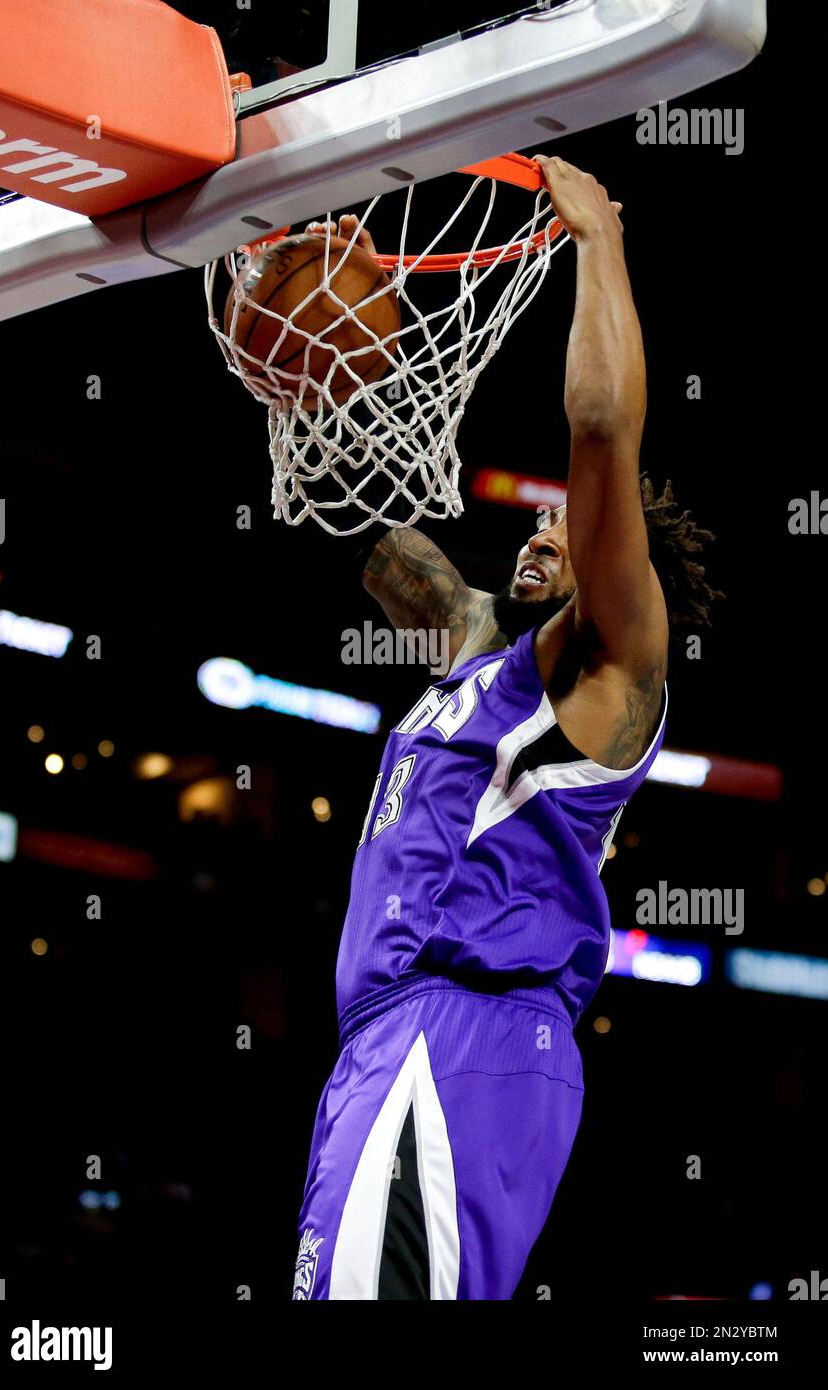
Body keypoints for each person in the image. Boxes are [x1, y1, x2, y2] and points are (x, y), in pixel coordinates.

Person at [293, 157, 720, 1300]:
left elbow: (599, 432)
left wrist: (597, 243)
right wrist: (309, 356)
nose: (539, 534)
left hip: (463, 1037)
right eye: (531, 525)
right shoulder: (484, 648)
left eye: (561, 529)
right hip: (397, 1042)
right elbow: (366, 534)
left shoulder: (608, 661)